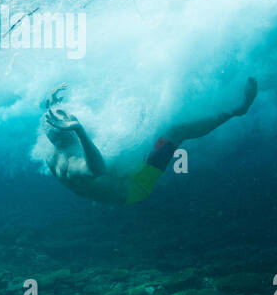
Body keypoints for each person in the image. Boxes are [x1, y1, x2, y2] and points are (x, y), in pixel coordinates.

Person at [41, 77, 258, 204]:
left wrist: (53, 102)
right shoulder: (70, 166)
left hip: (112, 182)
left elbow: (53, 124)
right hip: (135, 187)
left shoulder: (50, 145)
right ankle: (238, 110)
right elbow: (98, 169)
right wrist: (79, 130)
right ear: (69, 136)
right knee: (176, 131)